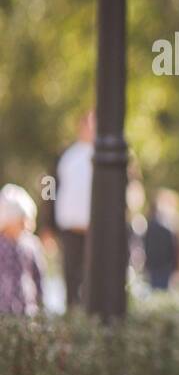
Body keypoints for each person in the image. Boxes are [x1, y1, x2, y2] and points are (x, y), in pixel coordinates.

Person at [54, 111, 95, 308]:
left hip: (96, 231)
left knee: (93, 278)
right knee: (70, 277)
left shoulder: (105, 156)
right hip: (71, 229)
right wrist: (48, 226)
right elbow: (52, 190)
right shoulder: (67, 156)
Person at [0, 184, 44, 316]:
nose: (26, 225)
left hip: (27, 309)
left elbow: (38, 276)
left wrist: (41, 303)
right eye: (21, 220)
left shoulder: (31, 244)